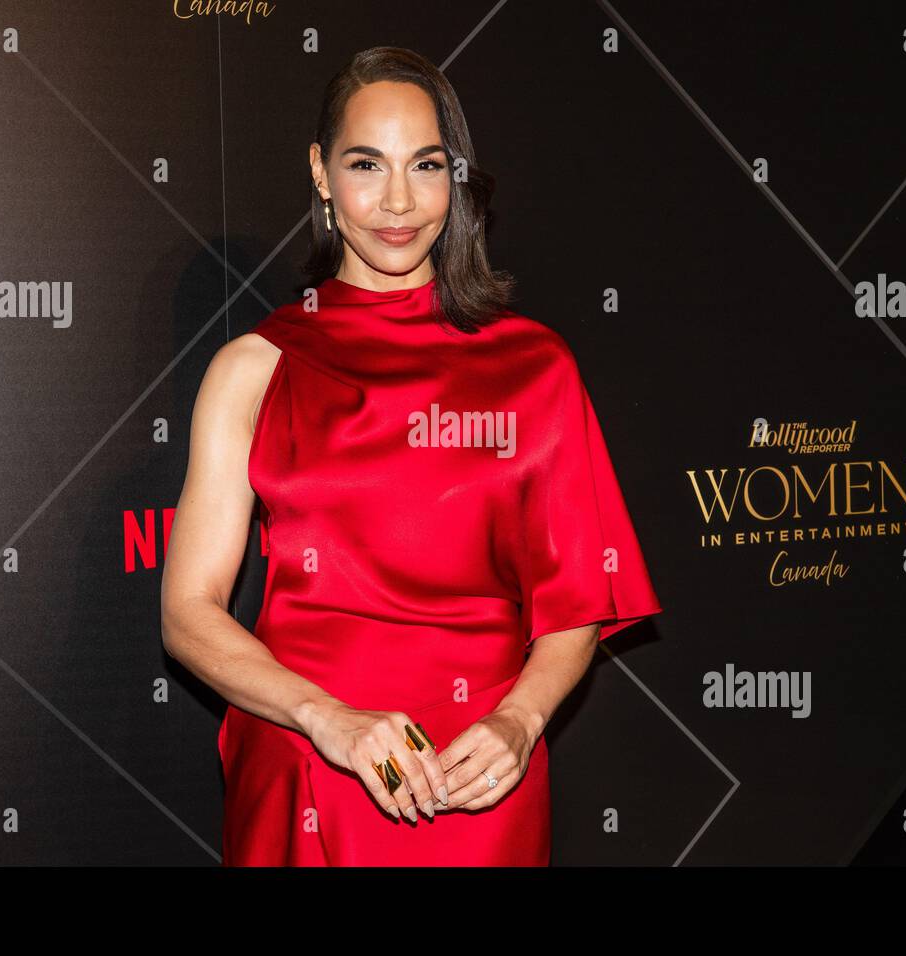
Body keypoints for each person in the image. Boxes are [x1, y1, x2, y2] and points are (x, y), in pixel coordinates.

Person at [161, 47, 662, 866]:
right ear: (321, 173)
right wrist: (326, 719)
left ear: (455, 176)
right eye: (366, 164)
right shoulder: (255, 368)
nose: (398, 201)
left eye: (426, 165)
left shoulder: (535, 365)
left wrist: (519, 722)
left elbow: (576, 600)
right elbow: (188, 614)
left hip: (478, 771)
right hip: (308, 758)